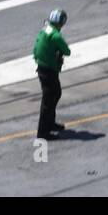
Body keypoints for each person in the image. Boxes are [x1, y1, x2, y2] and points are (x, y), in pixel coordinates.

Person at [33, 8, 72, 140]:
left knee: (55, 94)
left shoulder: (46, 29)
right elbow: (67, 51)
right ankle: (43, 132)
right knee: (48, 100)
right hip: (48, 70)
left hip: (43, 67)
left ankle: (50, 123)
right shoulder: (55, 35)